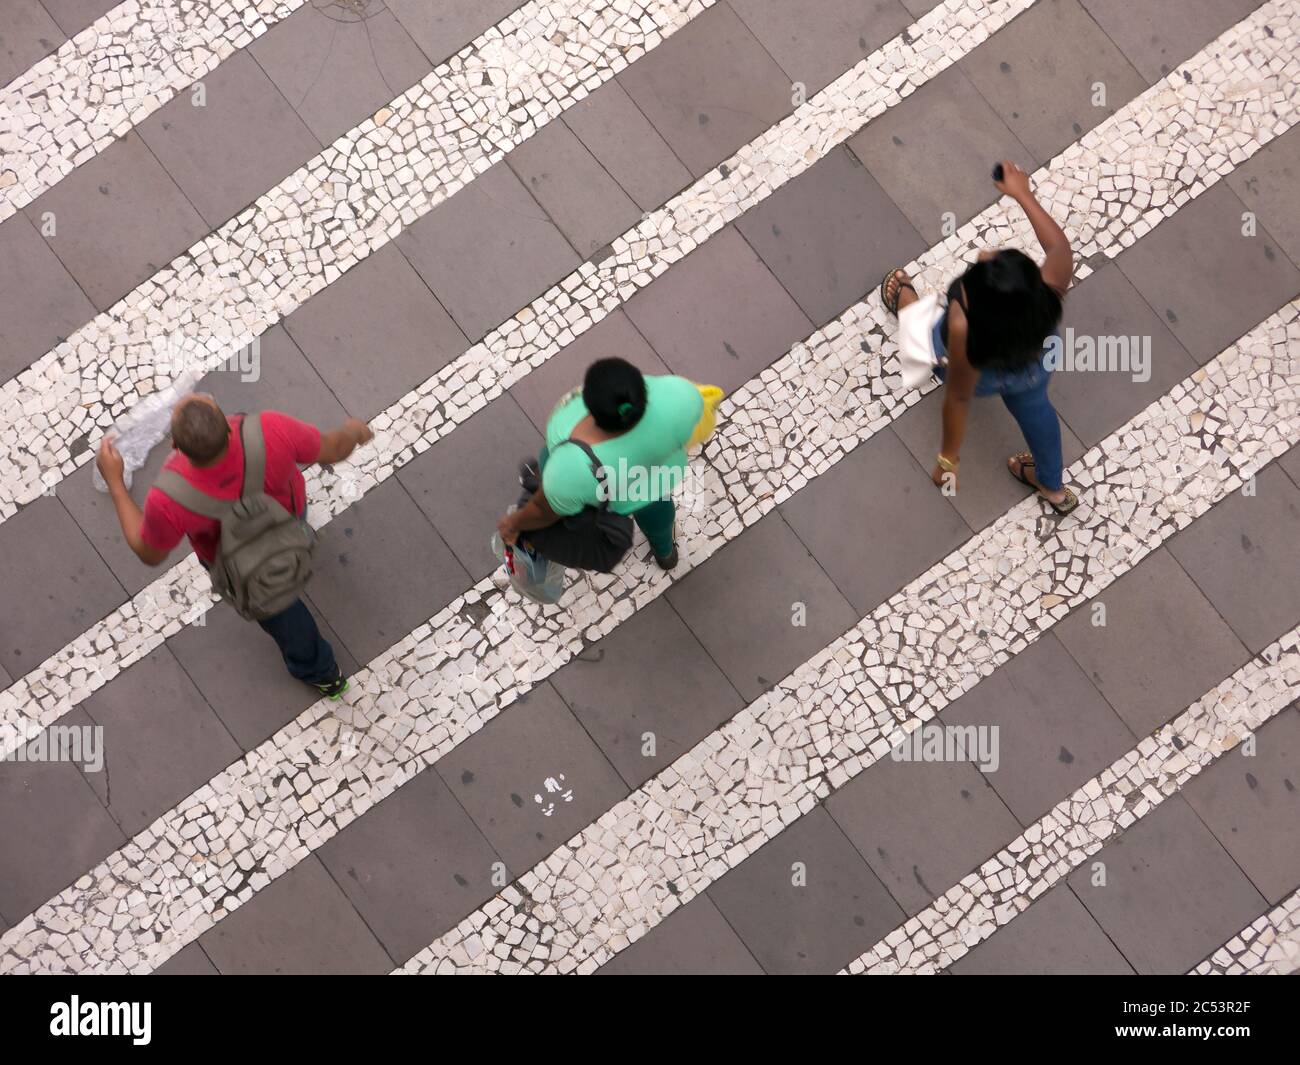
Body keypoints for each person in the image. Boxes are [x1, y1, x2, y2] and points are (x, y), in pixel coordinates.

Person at [94, 393, 374, 698]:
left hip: (243, 567)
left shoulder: (169, 498)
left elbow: (149, 552)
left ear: (175, 446)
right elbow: (332, 449)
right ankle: (299, 550)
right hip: (289, 520)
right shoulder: (271, 430)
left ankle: (324, 675)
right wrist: (353, 431)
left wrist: (117, 484)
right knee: (297, 540)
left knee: (284, 614)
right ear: (228, 426)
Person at [882, 159, 1078, 514]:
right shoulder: (1048, 290)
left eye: (985, 265)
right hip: (1037, 365)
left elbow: (958, 399)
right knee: (1036, 410)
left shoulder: (962, 328)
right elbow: (1059, 248)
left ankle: (904, 300)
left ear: (975, 303)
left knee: (922, 338)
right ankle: (1052, 486)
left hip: (983, 374)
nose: (985, 253)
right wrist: (1023, 195)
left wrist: (948, 461)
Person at [497, 358, 704, 569]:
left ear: (591, 407)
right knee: (657, 511)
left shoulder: (572, 466)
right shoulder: (681, 394)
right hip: (655, 480)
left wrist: (513, 524)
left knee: (549, 462)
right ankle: (666, 553)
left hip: (601, 491)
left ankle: (540, 480)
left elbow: (543, 512)